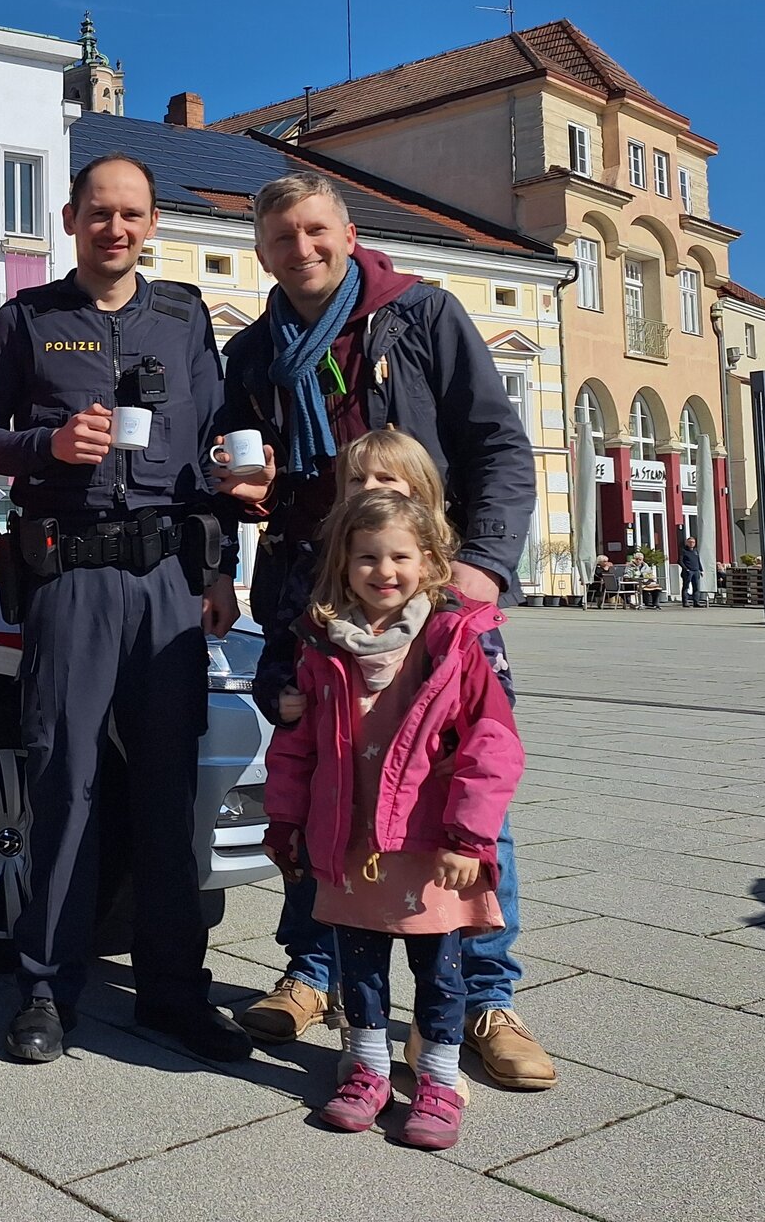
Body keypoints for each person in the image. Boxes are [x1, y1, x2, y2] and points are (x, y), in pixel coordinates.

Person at [218, 170, 555, 1092]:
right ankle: (315, 971)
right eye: (283, 237)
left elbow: (496, 446)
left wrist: (479, 570)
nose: (303, 249)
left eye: (317, 230)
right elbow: (251, 476)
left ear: (348, 229)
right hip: (314, 601)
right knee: (321, 779)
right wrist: (244, 495)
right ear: (263, 251)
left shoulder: (421, 316)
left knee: (461, 780)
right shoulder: (254, 355)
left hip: (435, 597)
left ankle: (487, 996)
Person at [0, 152, 252, 1066]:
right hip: (71, 580)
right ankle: (46, 991)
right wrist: (49, 443)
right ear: (71, 218)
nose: (115, 229)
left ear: (152, 223)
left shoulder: (182, 319)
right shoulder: (28, 319)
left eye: (131, 215)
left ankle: (174, 992)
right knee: (64, 783)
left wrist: (219, 568)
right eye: (99, 213)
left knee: (170, 792)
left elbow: (212, 454)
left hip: (167, 584)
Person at [264, 491, 524, 1150]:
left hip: (429, 844)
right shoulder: (324, 647)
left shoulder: (451, 641)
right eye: (368, 558)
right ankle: (370, 1069)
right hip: (350, 844)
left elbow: (491, 743)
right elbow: (298, 750)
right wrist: (284, 824)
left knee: (438, 969)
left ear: (430, 560)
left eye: (400, 557)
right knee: (361, 967)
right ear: (344, 566)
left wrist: (471, 835)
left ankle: (436, 1075)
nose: (384, 571)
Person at [272, 429, 443, 726]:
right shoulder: (314, 565)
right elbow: (281, 644)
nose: (368, 486)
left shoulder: (442, 570)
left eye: (385, 478)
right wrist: (277, 692)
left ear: (417, 489)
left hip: (420, 740)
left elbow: (485, 677)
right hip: (335, 735)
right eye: (356, 479)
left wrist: (457, 744)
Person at [679, 535, 705, 607]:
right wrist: (686, 569)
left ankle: (696, 602)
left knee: (696, 587)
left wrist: (701, 569)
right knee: (686, 587)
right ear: (687, 543)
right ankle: (685, 602)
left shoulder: (695, 551)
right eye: (690, 542)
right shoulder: (683, 551)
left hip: (696, 571)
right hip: (688, 571)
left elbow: (698, 560)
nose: (692, 544)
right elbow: (680, 561)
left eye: (693, 542)